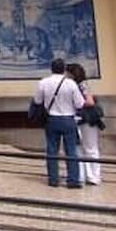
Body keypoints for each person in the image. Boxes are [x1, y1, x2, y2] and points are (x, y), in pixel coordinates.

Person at [32, 58, 85, 188]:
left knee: (52, 150)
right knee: (71, 151)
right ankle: (72, 180)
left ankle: (53, 179)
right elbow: (80, 103)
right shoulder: (71, 83)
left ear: (51, 68)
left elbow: (38, 101)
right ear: (64, 69)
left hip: (51, 119)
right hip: (68, 119)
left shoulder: (43, 82)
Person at [67, 62, 102, 186]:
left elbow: (90, 102)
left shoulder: (82, 85)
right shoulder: (73, 86)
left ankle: (94, 176)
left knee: (90, 147)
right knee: (80, 148)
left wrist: (77, 103)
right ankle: (86, 175)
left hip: (86, 119)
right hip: (78, 119)